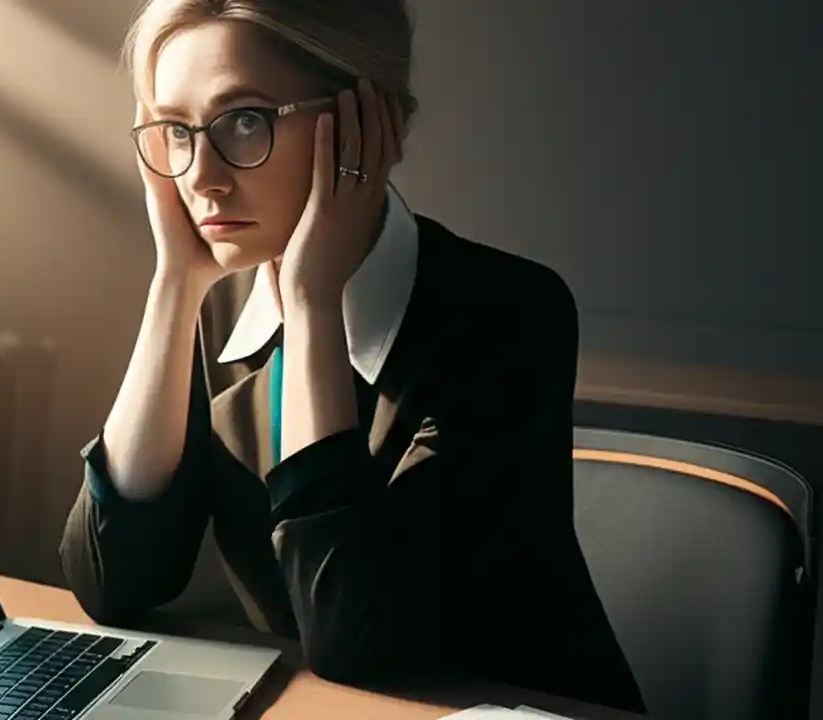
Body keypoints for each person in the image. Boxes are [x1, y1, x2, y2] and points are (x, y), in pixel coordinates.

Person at [59, 0, 645, 712]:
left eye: (244, 121)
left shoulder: (509, 315)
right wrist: (174, 284)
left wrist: (313, 302)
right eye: (177, 130)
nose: (202, 175)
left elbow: (358, 642)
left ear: (370, 124)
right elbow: (113, 584)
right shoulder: (214, 309)